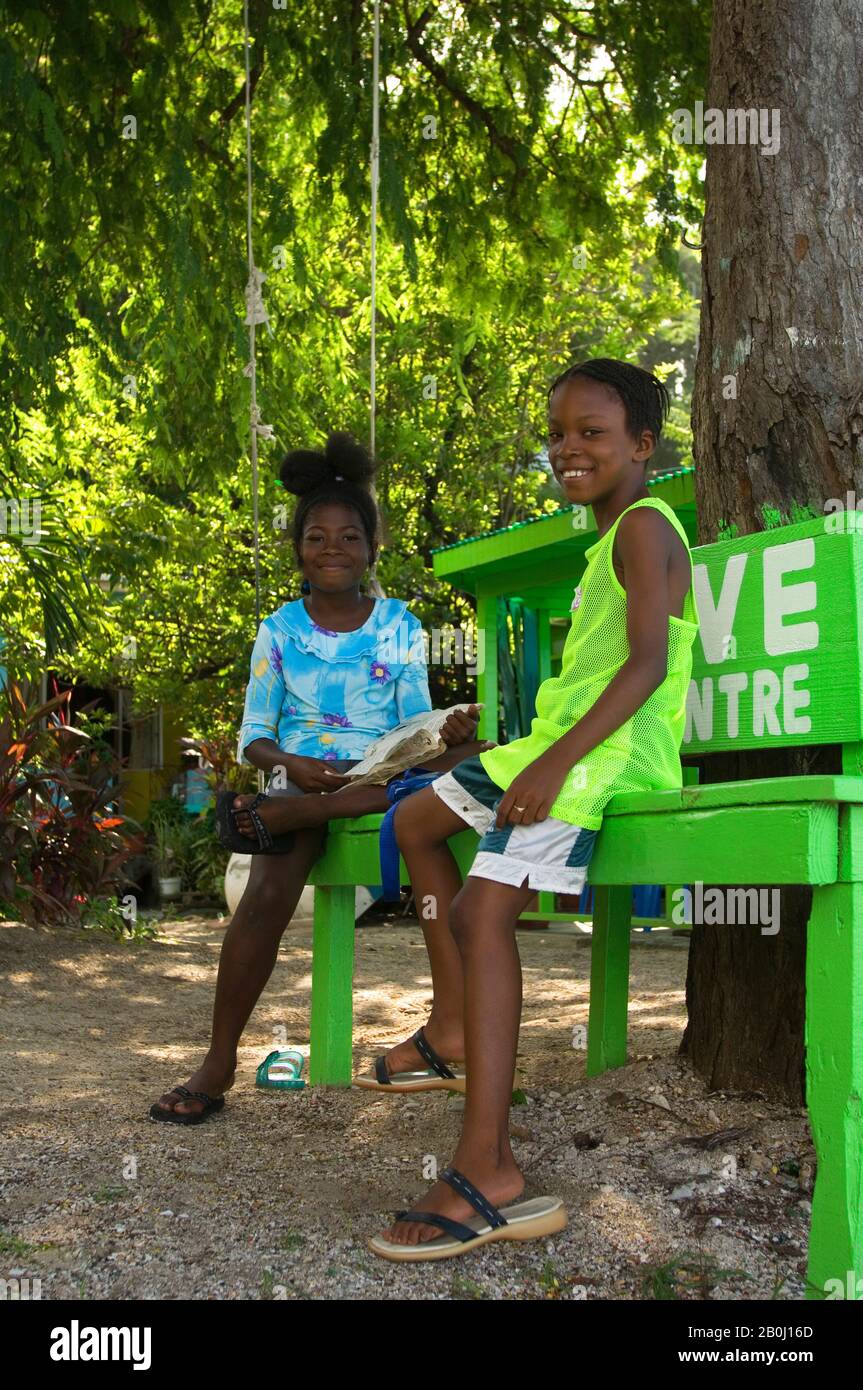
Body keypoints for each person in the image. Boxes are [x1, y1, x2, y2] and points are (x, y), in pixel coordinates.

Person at [369, 358, 700, 1260]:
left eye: (590, 433)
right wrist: (533, 750)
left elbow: (647, 669)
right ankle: (449, 1026)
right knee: (415, 821)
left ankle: (487, 1171)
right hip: (561, 742)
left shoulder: (642, 526)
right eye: (556, 433)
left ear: (641, 445)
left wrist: (553, 762)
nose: (566, 448)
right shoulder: (610, 538)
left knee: (484, 913)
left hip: (604, 757)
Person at [150, 432, 485, 1124]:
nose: (332, 549)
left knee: (473, 757)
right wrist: (288, 767)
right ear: (298, 548)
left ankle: (302, 811)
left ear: (372, 547)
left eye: (349, 537)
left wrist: (443, 735)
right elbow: (254, 737)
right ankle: (218, 1063)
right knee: (267, 893)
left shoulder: (398, 626)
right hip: (301, 775)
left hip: (385, 771)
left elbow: (416, 725)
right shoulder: (278, 631)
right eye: (316, 537)